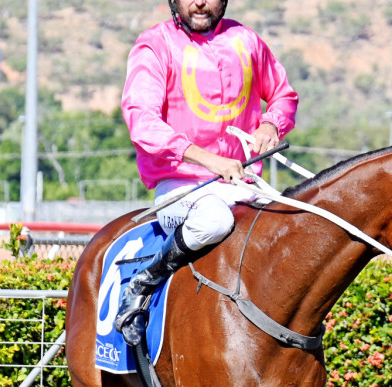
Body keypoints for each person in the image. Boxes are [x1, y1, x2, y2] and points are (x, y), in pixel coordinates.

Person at [115, 0, 298, 344]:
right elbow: (142, 120)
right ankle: (144, 282)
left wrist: (271, 124)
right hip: (180, 187)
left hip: (242, 184)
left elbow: (283, 96)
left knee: (292, 223)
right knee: (215, 221)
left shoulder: (246, 41)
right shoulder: (154, 45)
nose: (199, 2)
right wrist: (207, 159)